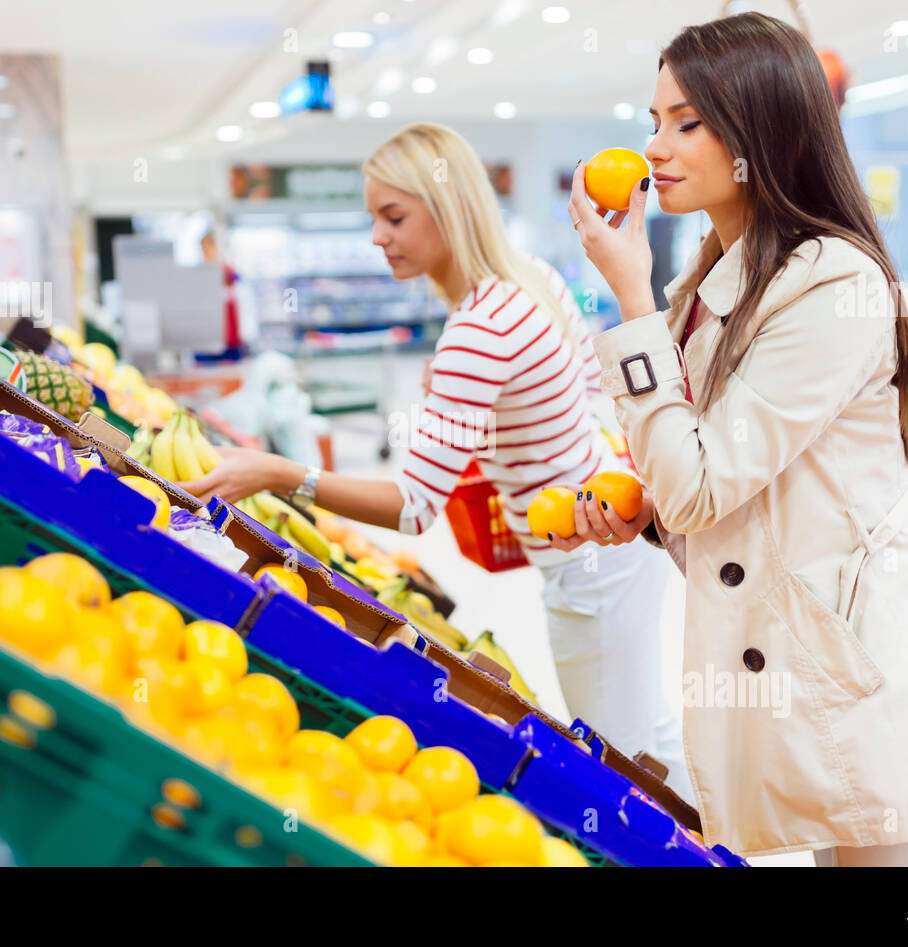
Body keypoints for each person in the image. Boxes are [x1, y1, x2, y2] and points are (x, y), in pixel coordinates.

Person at [555, 12, 908, 864]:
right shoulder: (705, 283)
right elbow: (704, 477)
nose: (656, 147)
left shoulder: (835, 283)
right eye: (654, 121)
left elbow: (705, 482)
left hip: (870, 676)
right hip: (797, 671)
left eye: (688, 122)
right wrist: (647, 513)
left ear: (761, 129)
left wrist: (628, 296)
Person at [180, 122, 694, 805]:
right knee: (650, 741)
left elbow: (415, 507)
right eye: (373, 218)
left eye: (394, 216)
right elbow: (592, 387)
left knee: (622, 775)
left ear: (446, 209)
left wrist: (278, 473)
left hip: (587, 558)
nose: (377, 237)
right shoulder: (528, 278)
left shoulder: (477, 330)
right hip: (619, 525)